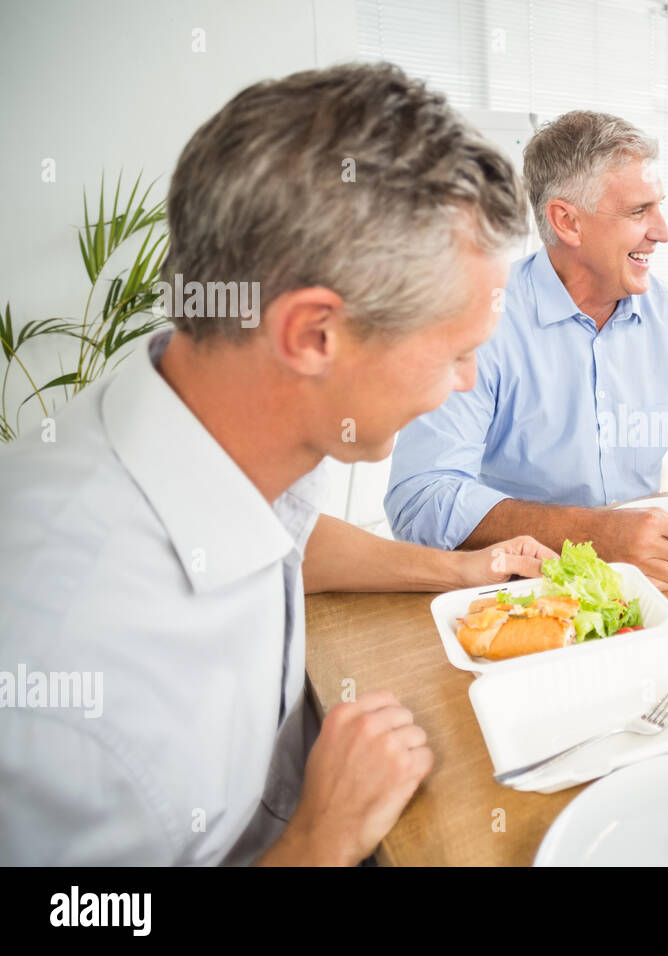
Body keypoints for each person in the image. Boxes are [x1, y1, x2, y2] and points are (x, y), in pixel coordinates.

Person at [0, 63, 552, 866]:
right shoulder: (68, 679)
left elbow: (282, 541)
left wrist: (456, 571)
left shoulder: (209, 416)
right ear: (312, 336)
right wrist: (319, 840)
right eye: (458, 352)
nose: (468, 380)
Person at [385, 111, 668, 591]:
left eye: (659, 207)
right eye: (638, 212)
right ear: (567, 221)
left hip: (651, 581)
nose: (662, 231)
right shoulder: (478, 320)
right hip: (520, 588)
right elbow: (422, 498)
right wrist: (591, 535)